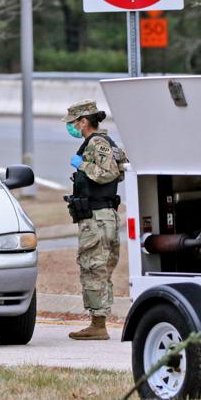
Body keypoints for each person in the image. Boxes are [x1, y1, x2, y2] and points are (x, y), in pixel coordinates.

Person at [62, 100, 127, 340]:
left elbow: (109, 173)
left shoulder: (97, 143)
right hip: (104, 216)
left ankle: (98, 325)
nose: (71, 127)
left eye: (73, 123)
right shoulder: (104, 142)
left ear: (83, 121)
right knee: (101, 269)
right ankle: (99, 322)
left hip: (97, 218)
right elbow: (120, 168)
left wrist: (83, 165)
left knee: (92, 267)